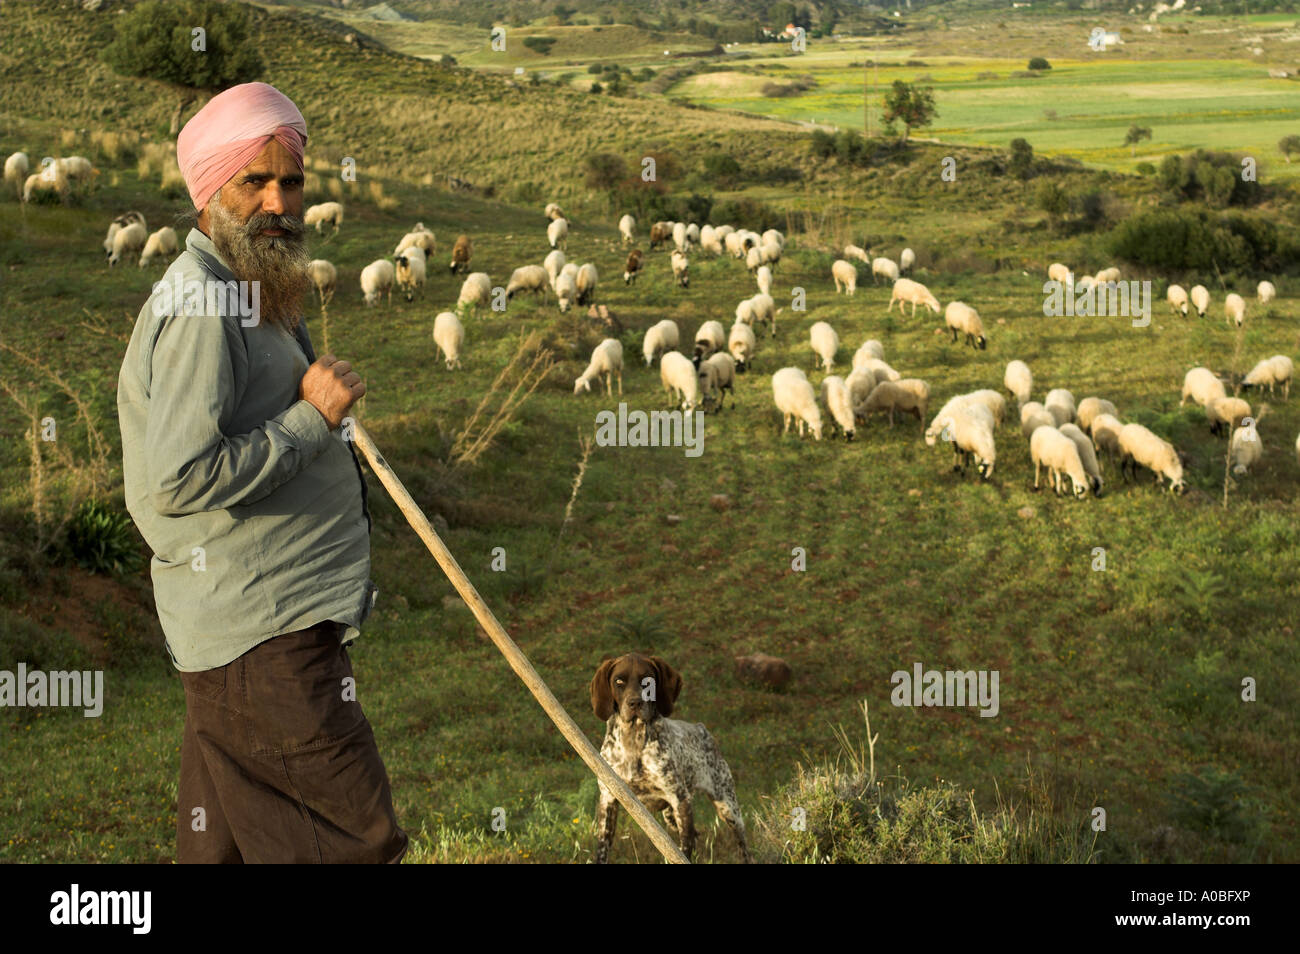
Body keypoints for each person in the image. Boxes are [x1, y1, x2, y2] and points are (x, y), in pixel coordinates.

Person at [116, 82, 407, 863]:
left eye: (292, 181)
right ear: (212, 191)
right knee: (354, 840)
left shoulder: (255, 288)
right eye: (255, 181)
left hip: (244, 635)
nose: (278, 200)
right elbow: (177, 478)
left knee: (223, 852)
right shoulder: (205, 309)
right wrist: (310, 423)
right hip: (263, 639)